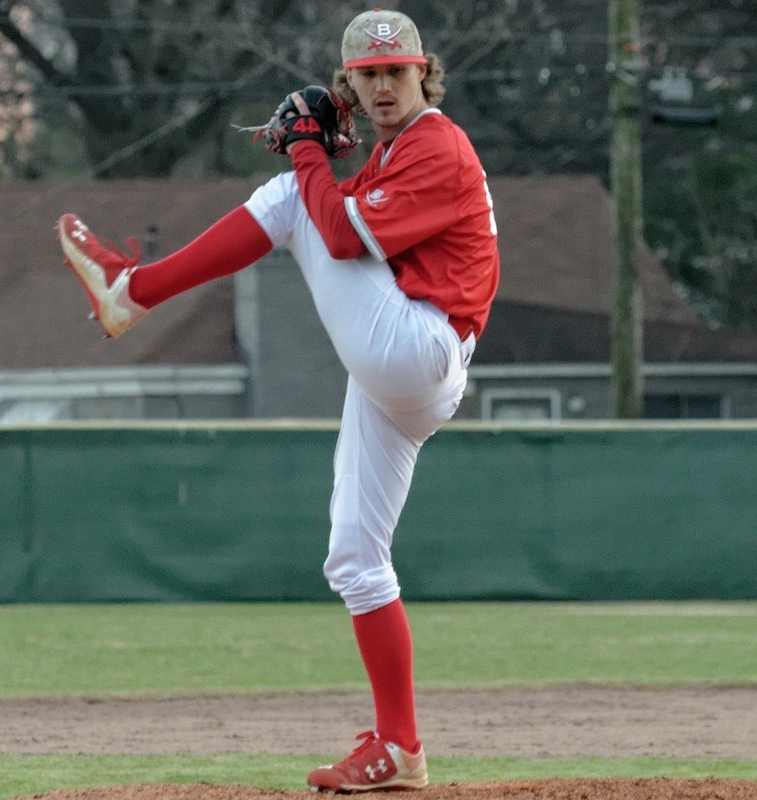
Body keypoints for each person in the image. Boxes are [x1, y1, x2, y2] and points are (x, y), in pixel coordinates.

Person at [53, 8, 497, 792]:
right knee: (356, 561)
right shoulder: (396, 148)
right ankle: (401, 749)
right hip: (403, 369)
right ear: (350, 84)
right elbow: (345, 215)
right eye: (368, 74)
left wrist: (305, 150)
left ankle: (131, 292)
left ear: (423, 74)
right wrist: (321, 154)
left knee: (295, 200)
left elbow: (336, 234)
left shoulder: (435, 141)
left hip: (418, 346)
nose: (385, 85)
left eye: (398, 72)